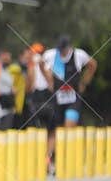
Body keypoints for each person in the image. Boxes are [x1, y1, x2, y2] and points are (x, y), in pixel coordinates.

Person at [40, 36, 95, 169]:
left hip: (73, 98)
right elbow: (41, 63)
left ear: (69, 47)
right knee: (54, 129)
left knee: (69, 125)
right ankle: (48, 160)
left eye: (64, 50)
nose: (62, 52)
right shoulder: (52, 54)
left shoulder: (79, 55)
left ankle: (66, 157)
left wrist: (84, 82)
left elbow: (93, 64)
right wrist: (48, 79)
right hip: (57, 97)